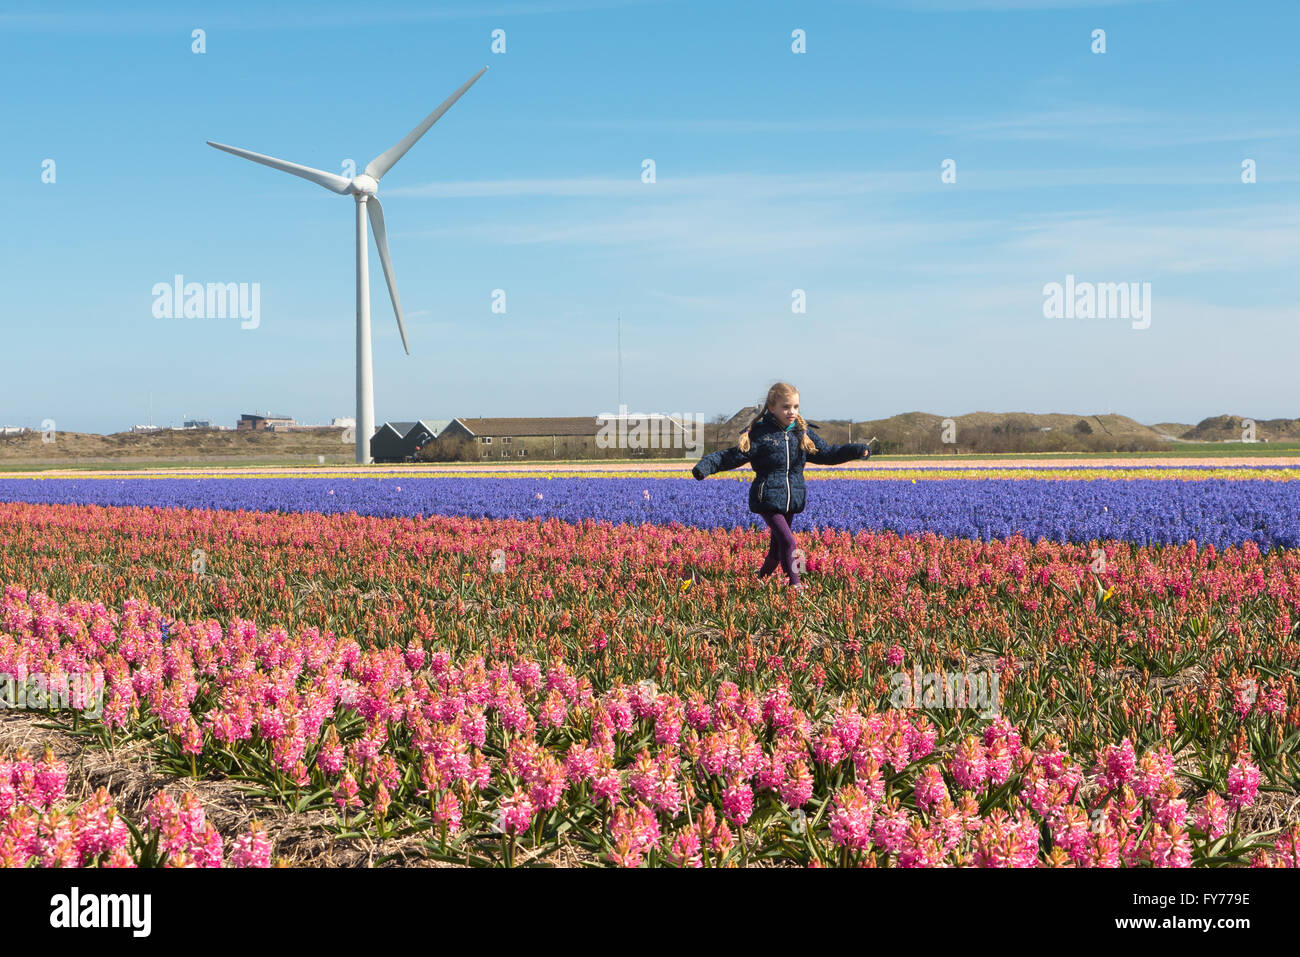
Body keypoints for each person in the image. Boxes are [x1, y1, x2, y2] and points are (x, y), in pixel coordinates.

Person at [692, 382, 875, 588]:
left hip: (792, 499)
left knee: (777, 550)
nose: (792, 412)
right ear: (772, 408)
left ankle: (759, 581)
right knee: (789, 542)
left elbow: (828, 453)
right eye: (786, 407)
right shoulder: (761, 434)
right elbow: (732, 456)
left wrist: (856, 450)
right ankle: (795, 584)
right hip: (767, 498)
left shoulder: (803, 432)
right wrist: (705, 466)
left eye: (796, 407)